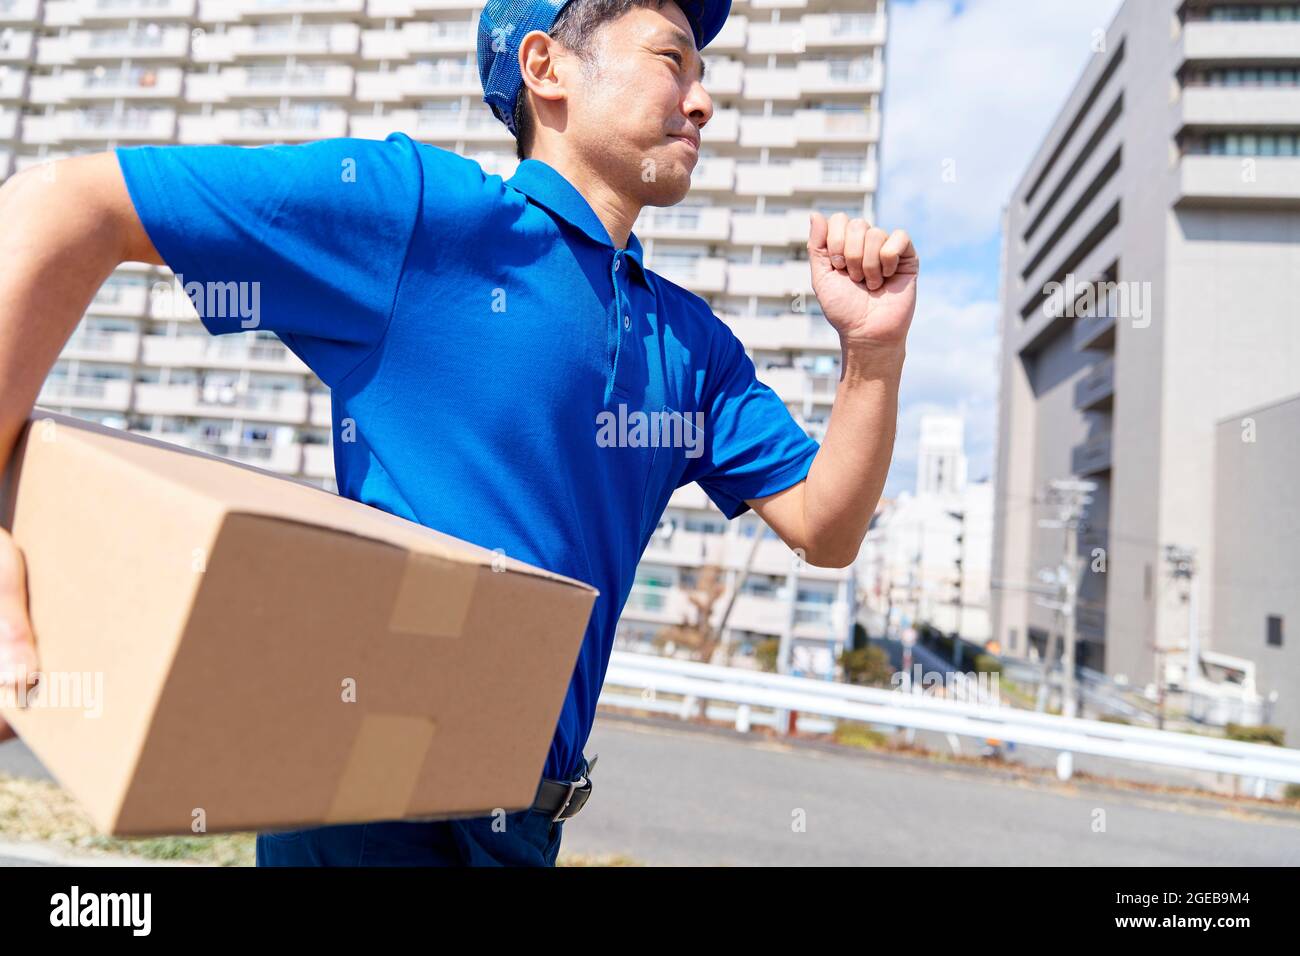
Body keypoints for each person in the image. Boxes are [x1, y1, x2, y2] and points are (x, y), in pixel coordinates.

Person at [0, 0, 918, 865]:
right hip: (359, 805)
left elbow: (825, 527)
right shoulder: (422, 215)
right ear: (546, 67)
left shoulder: (693, 344)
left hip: (527, 820)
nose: (704, 100)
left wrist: (872, 353)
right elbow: (62, 204)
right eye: (673, 60)